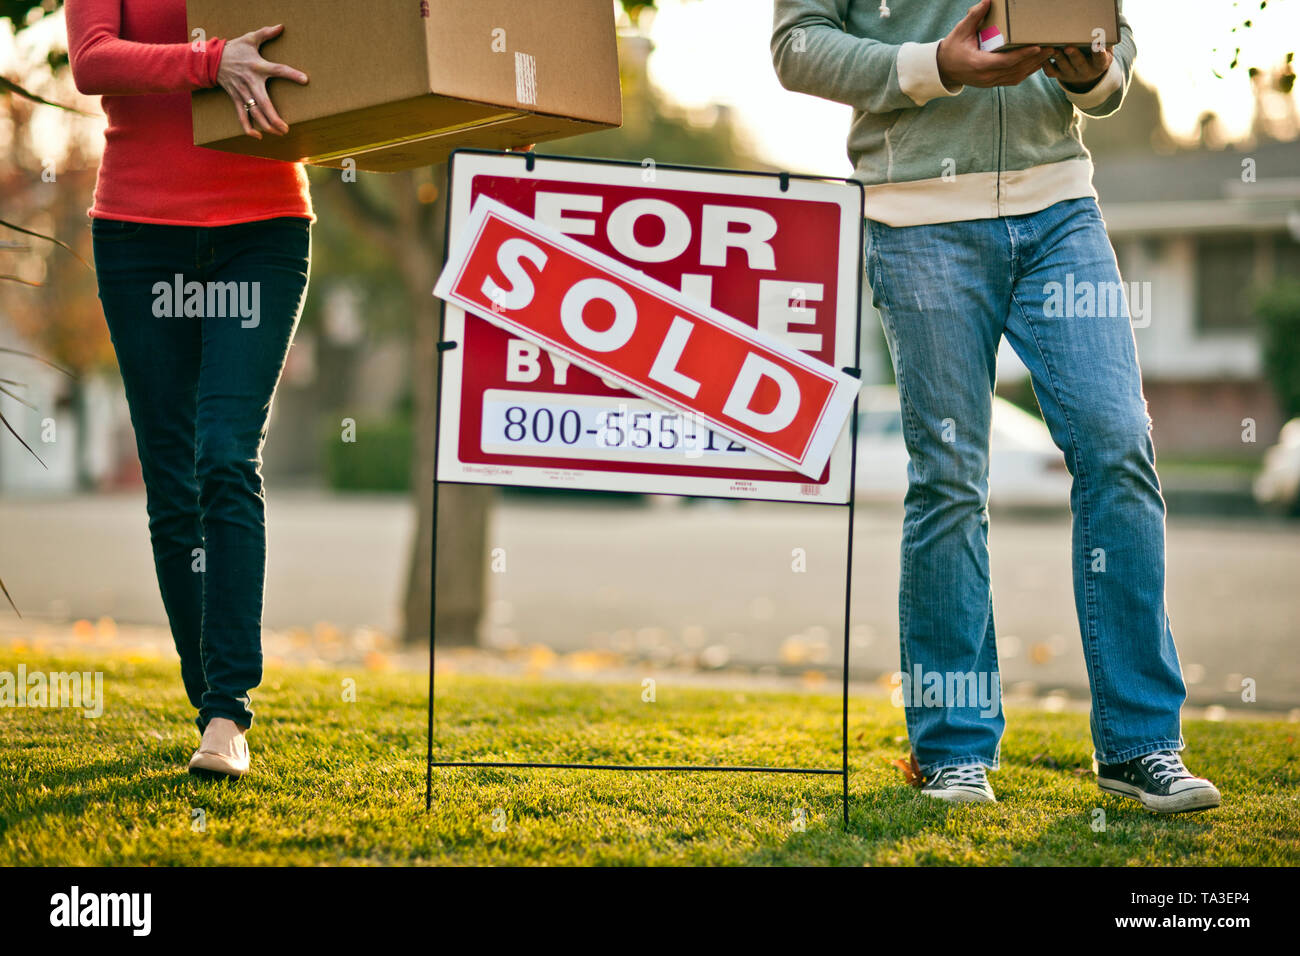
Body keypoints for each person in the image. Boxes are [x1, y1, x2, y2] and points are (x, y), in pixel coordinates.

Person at [772, 0, 1220, 813]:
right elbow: (797, 45)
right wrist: (933, 67)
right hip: (919, 219)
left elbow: (1109, 29)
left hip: (1060, 209)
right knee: (950, 477)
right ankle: (952, 749)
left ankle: (1143, 744)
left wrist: (1098, 70)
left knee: (1119, 442)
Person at [68, 0, 314, 780]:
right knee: (172, 483)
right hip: (139, 234)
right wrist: (211, 61)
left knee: (225, 455)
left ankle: (227, 712)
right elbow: (92, 58)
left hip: (264, 225)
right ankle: (207, 698)